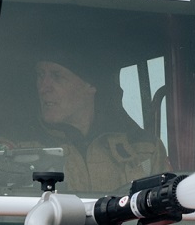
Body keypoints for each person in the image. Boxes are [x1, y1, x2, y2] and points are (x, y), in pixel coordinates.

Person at [34, 56, 166, 194]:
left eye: (57, 76)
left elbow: (166, 209)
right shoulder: (17, 149)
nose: (43, 88)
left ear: (90, 85)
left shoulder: (145, 148)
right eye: (40, 75)